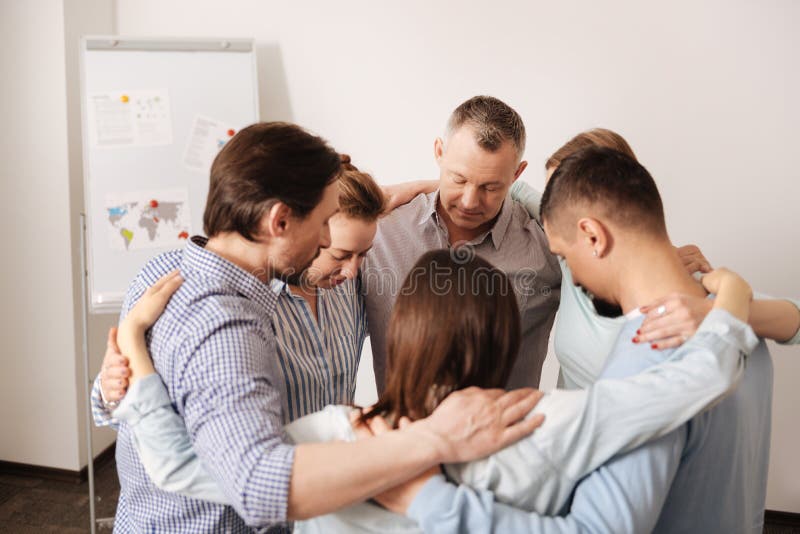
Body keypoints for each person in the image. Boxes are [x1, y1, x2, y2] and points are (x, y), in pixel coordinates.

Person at [108, 247, 755, 534]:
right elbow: (706, 376)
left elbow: (177, 465)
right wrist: (734, 296)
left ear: (402, 336)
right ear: (507, 339)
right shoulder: (556, 421)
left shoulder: (334, 440)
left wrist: (137, 343)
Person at [104, 121, 543, 532]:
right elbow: (257, 483)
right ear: (280, 221)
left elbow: (160, 432)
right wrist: (435, 440)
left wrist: (127, 359)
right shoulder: (224, 322)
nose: (329, 246)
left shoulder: (337, 283)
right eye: (324, 232)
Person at [395, 147, 796, 533]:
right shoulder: (742, 320)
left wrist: (424, 498)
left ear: (592, 235)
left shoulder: (645, 356)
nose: (574, 277)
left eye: (565, 258)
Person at [94, 155, 390, 426]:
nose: (352, 271)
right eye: (340, 255)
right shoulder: (191, 288)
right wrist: (111, 389)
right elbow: (125, 411)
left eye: (363, 254)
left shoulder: (349, 286)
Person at [507, 128, 800, 389]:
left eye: (561, 198)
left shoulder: (690, 302)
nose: (553, 212)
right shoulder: (570, 254)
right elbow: (508, 183)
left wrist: (722, 313)